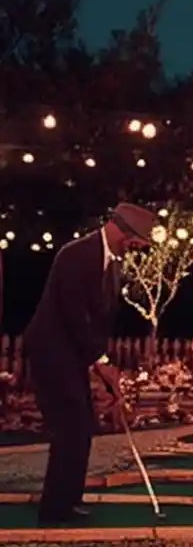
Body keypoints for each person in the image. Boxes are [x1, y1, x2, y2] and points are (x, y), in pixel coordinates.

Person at [25, 203, 158, 524]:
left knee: (83, 426)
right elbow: (73, 316)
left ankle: (69, 501)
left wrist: (103, 364)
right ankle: (54, 510)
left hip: (72, 354)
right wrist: (101, 362)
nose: (138, 246)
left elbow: (98, 322)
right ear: (121, 230)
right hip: (51, 352)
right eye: (137, 239)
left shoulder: (112, 262)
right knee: (70, 427)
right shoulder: (76, 254)